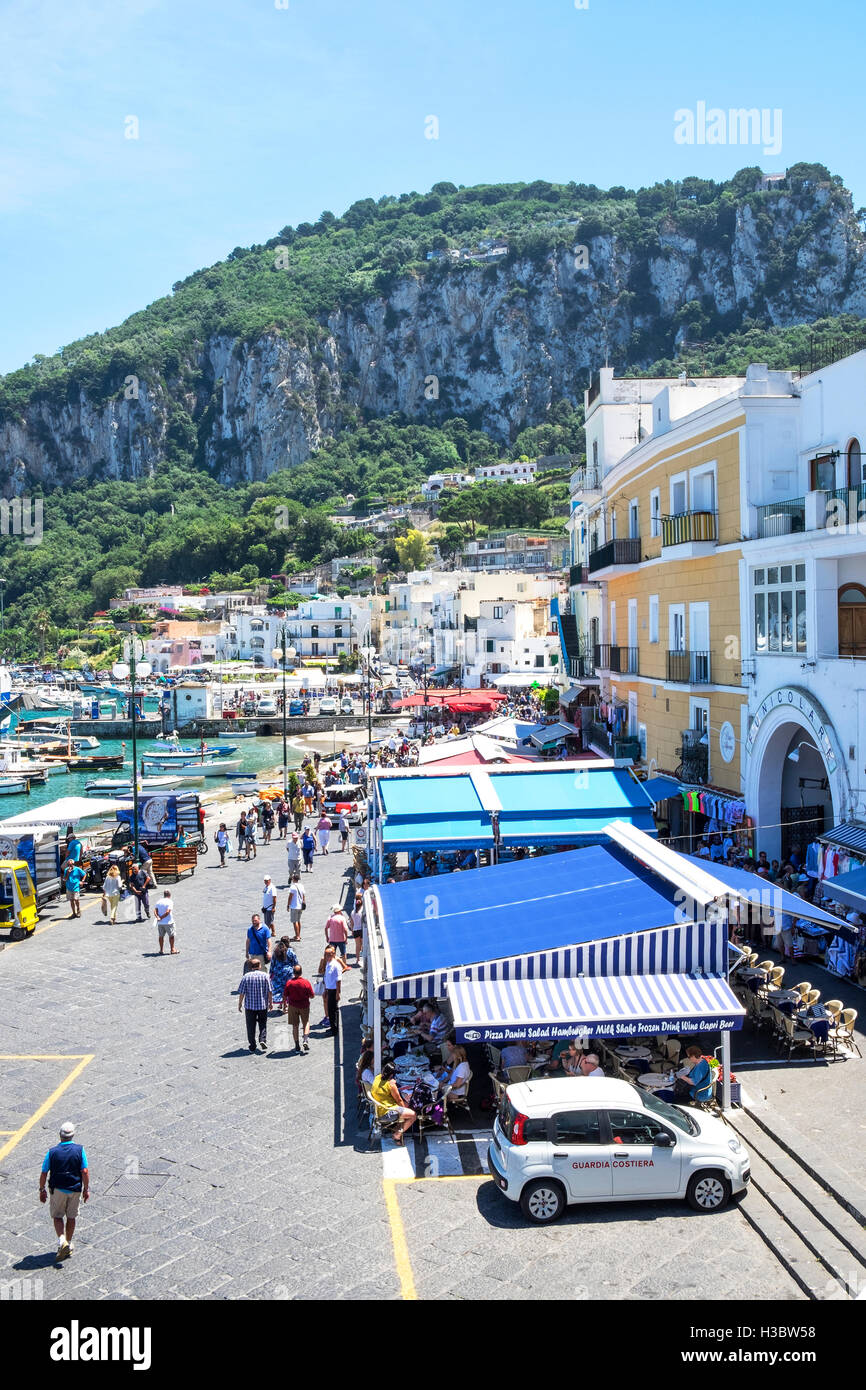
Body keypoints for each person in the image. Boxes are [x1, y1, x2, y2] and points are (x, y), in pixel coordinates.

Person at [39, 1121, 89, 1261]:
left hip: (58, 1189)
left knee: (57, 1216)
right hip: (75, 1188)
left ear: (60, 1136)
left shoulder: (52, 1152)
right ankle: (68, 1242)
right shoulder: (80, 1150)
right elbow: (84, 1171)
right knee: (71, 1217)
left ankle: (62, 1241)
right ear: (73, 1135)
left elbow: (44, 1172)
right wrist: (86, 1188)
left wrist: (42, 1189)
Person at [370, 1062, 416, 1144]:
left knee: (407, 1105)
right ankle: (397, 1135)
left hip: (379, 1110)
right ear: (392, 1075)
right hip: (387, 1113)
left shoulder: (377, 1078)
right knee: (413, 1115)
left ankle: (396, 1128)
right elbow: (398, 1100)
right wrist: (405, 1109)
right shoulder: (391, 1085)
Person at [237, 956, 272, 1053]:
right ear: (260, 966)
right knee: (263, 1023)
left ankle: (252, 1045)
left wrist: (240, 1004)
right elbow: (270, 991)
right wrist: (270, 1003)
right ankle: (262, 1039)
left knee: (250, 1026)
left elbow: (242, 992)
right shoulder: (265, 976)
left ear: (250, 967)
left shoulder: (246, 977)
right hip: (262, 1005)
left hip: (250, 1006)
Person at [282, 962, 315, 1053]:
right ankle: (305, 1039)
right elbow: (312, 995)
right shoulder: (305, 982)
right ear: (301, 972)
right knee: (306, 1022)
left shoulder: (289, 983)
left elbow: (285, 996)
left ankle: (297, 1046)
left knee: (295, 1026)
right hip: (304, 1006)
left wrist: (285, 1005)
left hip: (293, 1006)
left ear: (293, 972)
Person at [318, 944, 349, 1035]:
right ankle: (332, 1027)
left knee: (333, 1010)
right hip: (329, 989)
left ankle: (334, 1030)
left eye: (328, 955)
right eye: (325, 955)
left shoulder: (336, 965)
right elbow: (327, 978)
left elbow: (338, 980)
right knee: (330, 1010)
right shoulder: (328, 963)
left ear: (333, 954)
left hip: (334, 990)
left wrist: (337, 993)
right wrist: (325, 990)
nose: (326, 957)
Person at [269, 939, 298, 1015]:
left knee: (280, 989)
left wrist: (271, 973)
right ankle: (286, 1006)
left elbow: (272, 964)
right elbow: (295, 963)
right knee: (287, 989)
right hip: (288, 973)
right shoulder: (290, 952)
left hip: (278, 973)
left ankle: (281, 1003)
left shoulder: (275, 953)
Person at [153, 890, 179, 955]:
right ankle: (172, 949)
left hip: (160, 923)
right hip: (168, 922)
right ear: (169, 895)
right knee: (171, 936)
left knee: (161, 936)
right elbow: (168, 912)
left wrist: (158, 917)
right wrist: (161, 917)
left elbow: (155, 911)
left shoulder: (159, 901)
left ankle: (161, 950)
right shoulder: (170, 901)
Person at [286, 875, 305, 941]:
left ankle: (297, 936)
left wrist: (288, 905)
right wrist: (303, 902)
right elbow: (303, 895)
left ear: (293, 879)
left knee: (295, 921)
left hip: (294, 906)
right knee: (298, 920)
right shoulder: (301, 886)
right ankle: (298, 934)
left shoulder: (292, 887)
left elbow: (290, 897)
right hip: (300, 906)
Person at [350, 893, 365, 964]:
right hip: (362, 929)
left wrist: (352, 930)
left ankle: (357, 959)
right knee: (363, 944)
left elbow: (352, 923)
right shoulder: (362, 911)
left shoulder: (353, 912)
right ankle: (365, 958)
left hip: (355, 930)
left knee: (357, 945)